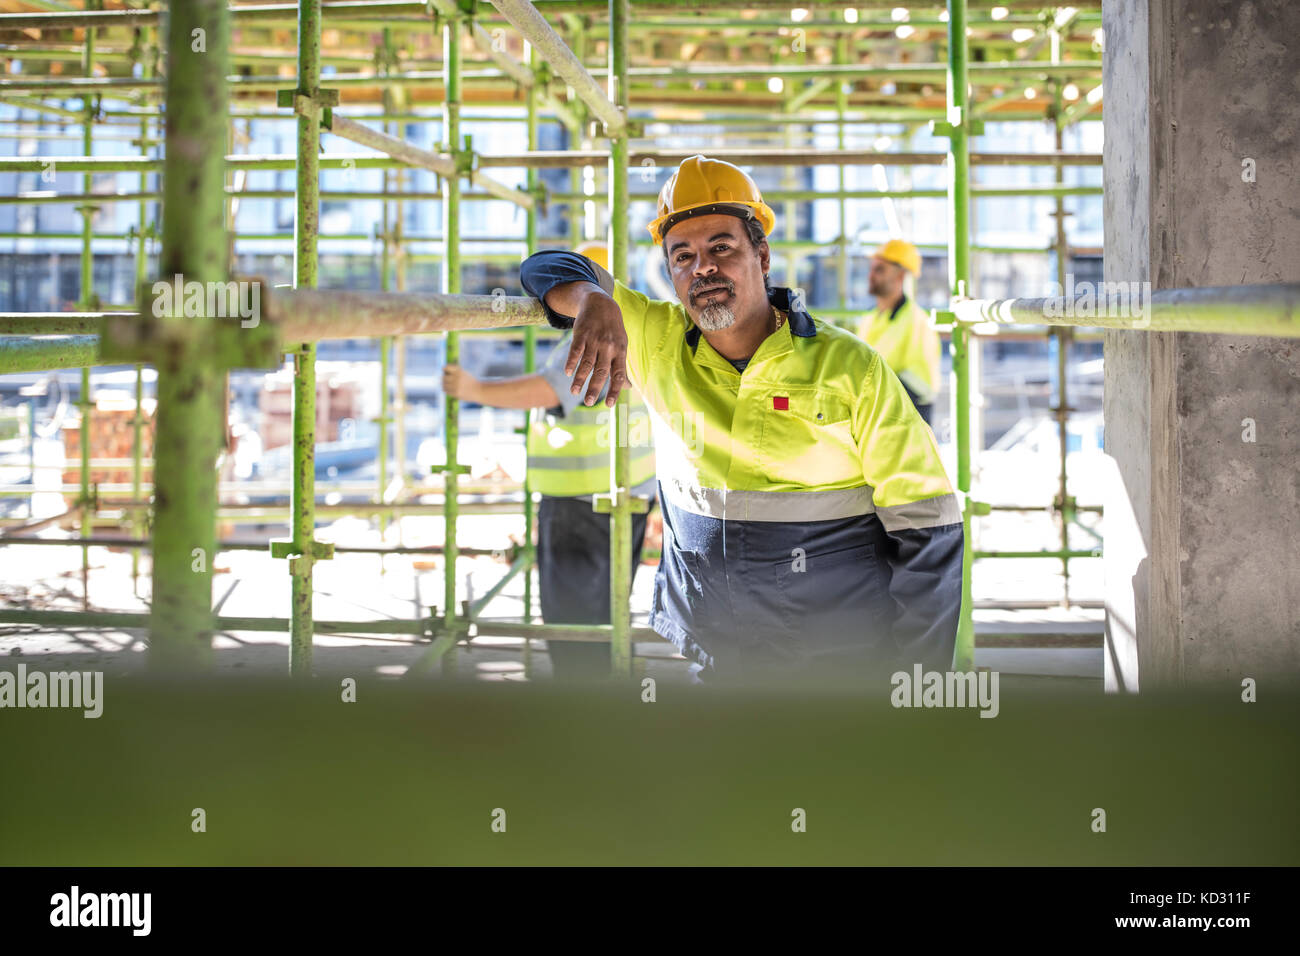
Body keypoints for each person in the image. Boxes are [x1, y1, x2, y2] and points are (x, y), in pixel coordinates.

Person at [518, 155, 963, 686]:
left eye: (721, 248)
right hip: (717, 656)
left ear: (763, 254)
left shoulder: (853, 369)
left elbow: (929, 528)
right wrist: (595, 298)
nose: (701, 267)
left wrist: (917, 676)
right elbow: (541, 268)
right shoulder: (656, 342)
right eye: (682, 255)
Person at [443, 242, 656, 680]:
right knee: (609, 606)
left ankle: (584, 702)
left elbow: (549, 389)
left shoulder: (591, 333)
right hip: (630, 495)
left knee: (574, 620)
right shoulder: (642, 330)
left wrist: (474, 390)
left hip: (580, 500)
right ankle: (611, 686)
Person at [858, 239, 942, 424]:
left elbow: (922, 384)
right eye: (872, 269)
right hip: (875, 412)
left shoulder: (916, 321)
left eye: (880, 270)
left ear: (900, 276)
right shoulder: (870, 318)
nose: (871, 275)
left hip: (907, 416)